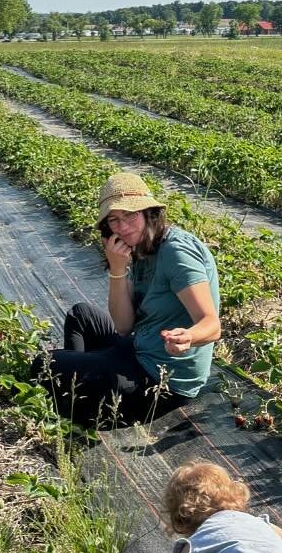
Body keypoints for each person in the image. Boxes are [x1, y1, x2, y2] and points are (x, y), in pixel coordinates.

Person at [34, 172, 220, 426]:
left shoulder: (176, 253)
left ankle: (78, 391)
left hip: (159, 380)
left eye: (130, 215)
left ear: (149, 213)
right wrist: (118, 268)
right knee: (81, 314)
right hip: (137, 348)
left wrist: (188, 337)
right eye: (114, 220)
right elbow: (123, 326)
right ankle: (78, 386)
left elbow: (212, 325)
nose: (123, 227)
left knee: (44, 363)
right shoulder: (142, 248)